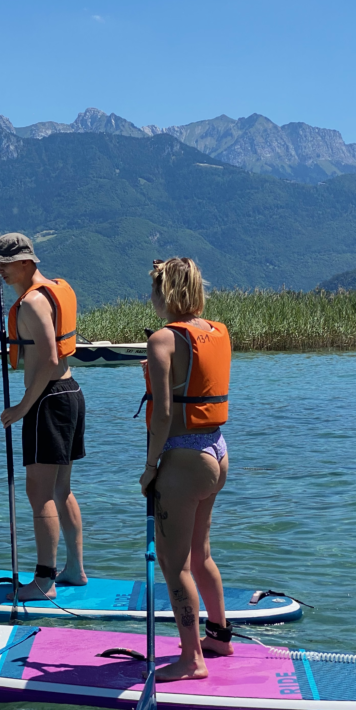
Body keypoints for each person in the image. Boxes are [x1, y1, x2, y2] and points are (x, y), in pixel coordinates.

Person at [138, 257, 232, 682]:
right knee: (200, 553)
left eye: (154, 289)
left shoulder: (162, 339)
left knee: (173, 563)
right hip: (216, 451)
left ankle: (192, 659)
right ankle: (219, 636)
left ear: (167, 293)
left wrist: (150, 468)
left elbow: (162, 415)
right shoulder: (216, 330)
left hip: (184, 460)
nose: (151, 298)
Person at [0, 233, 87, 599]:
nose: (1, 270)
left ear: (28, 262)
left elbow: (47, 359)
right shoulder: (49, 291)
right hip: (69, 393)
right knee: (61, 488)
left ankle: (45, 581)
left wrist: (22, 407)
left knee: (39, 491)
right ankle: (74, 570)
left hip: (48, 400)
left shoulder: (32, 302)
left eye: (6, 264)